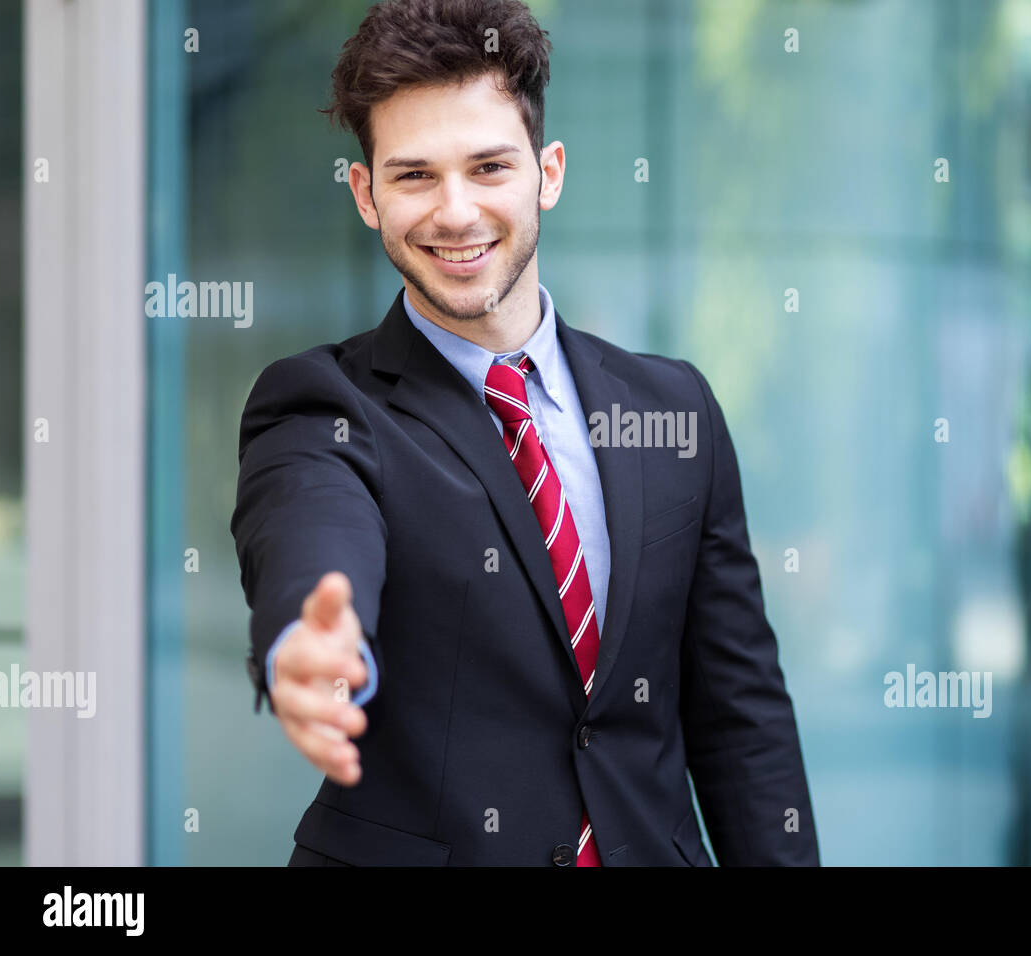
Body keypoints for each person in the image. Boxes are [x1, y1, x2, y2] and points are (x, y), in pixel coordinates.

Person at [230, 0, 818, 866]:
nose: (456, 212)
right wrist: (309, 639)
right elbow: (314, 527)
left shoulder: (674, 409)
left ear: (549, 172)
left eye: (488, 166)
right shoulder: (324, 405)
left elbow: (741, 717)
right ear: (366, 195)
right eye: (414, 176)